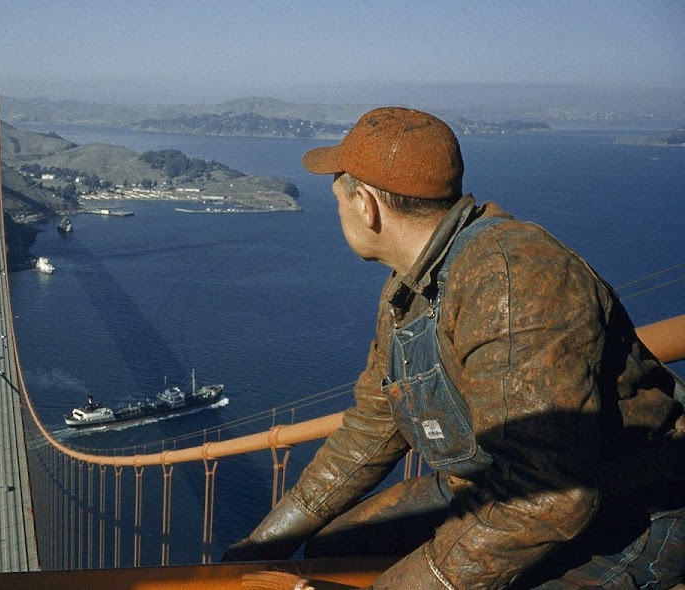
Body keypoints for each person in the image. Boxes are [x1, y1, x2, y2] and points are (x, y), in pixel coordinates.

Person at [222, 107, 685, 588]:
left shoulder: (509, 279)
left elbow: (549, 495)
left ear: (365, 205)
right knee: (336, 549)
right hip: (498, 487)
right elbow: (372, 427)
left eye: (338, 196)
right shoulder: (410, 287)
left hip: (628, 516)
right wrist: (260, 547)